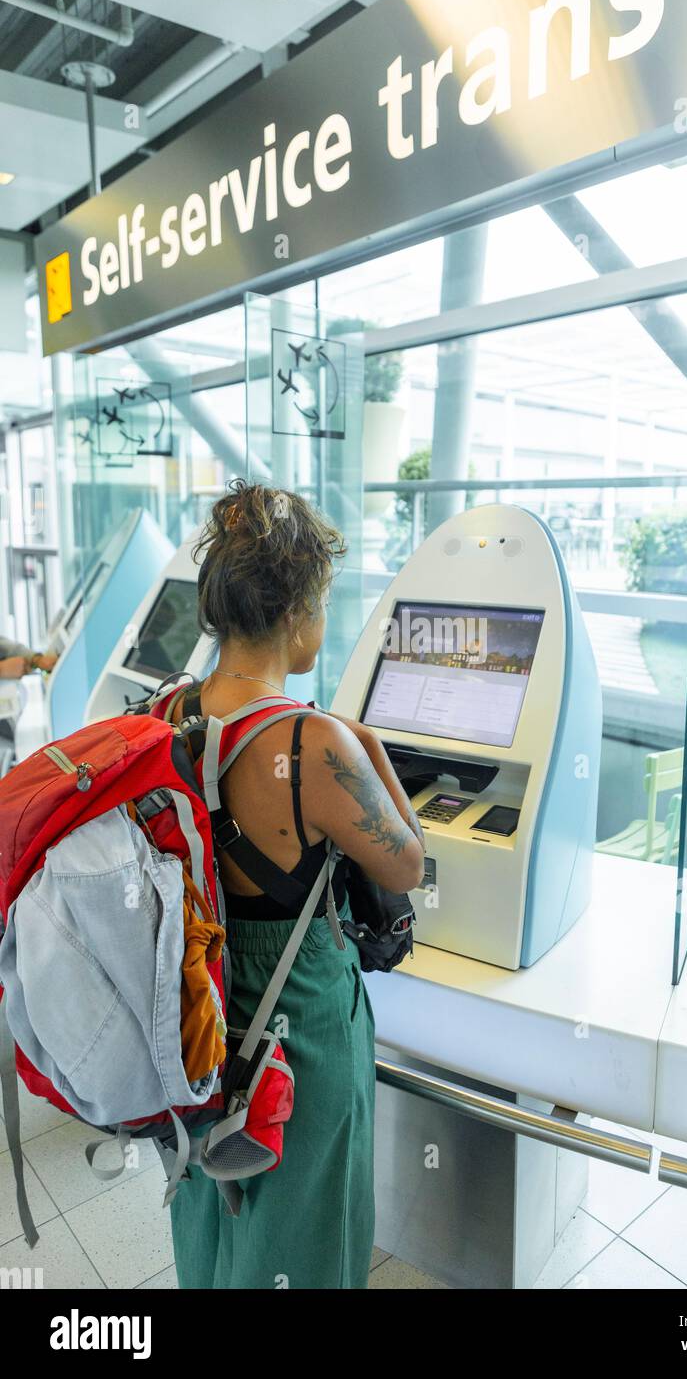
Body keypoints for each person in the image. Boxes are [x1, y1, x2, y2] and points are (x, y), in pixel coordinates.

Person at [167, 480, 425, 1289]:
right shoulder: (315, 743)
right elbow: (406, 864)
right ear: (293, 612)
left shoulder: (166, 713)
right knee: (308, 1223)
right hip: (299, 1027)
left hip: (196, 1015)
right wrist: (370, 748)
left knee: (209, 1202)